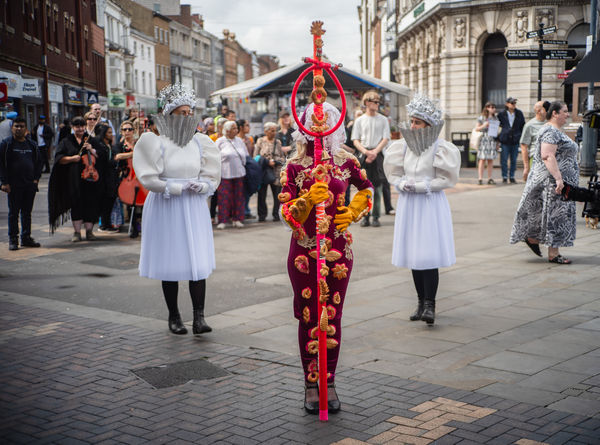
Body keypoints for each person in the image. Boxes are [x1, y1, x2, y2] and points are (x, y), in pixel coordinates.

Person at [279, 101, 373, 414]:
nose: (319, 130)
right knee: (309, 316)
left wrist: (355, 209)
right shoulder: (293, 166)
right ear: (303, 127)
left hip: (338, 250)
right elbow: (287, 213)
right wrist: (305, 201)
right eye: (313, 124)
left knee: (332, 316)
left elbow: (367, 188)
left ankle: (329, 380)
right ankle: (310, 381)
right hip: (305, 249)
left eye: (326, 123)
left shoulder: (347, 161)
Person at [133, 83, 221, 335]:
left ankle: (199, 318)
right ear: (169, 116)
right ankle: (174, 316)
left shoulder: (200, 142)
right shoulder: (155, 141)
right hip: (167, 203)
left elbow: (212, 175)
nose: (186, 117)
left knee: (197, 260)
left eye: (189, 113)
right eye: (181, 113)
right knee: (170, 259)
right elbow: (148, 177)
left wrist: (202, 185)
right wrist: (173, 187)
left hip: (192, 204)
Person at [383, 92, 461, 325]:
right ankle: (419, 302)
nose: (412, 125)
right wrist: (400, 183)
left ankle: (430, 304)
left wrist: (422, 186)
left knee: (428, 253)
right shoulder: (404, 146)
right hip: (409, 203)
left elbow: (447, 179)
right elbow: (394, 172)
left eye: (417, 122)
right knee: (415, 253)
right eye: (412, 121)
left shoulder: (441, 147)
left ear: (428, 124)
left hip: (428, 202)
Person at [510, 101, 579, 264]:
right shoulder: (550, 131)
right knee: (556, 216)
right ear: (554, 113)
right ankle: (553, 253)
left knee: (550, 215)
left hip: (554, 182)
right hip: (552, 183)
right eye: (565, 111)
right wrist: (559, 179)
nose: (567, 115)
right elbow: (547, 155)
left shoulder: (553, 130)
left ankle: (534, 239)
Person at [48, 116, 107, 242]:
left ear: (85, 127)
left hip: (91, 179)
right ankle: (77, 232)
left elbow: (103, 155)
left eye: (81, 126)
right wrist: (72, 159)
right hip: (73, 179)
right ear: (72, 127)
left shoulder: (91, 139)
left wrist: (92, 149)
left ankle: (90, 232)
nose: (80, 129)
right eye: (77, 126)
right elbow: (59, 158)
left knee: (91, 204)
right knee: (76, 205)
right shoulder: (66, 141)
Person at [0, 117, 43, 251]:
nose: (19, 129)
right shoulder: (6, 144)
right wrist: (4, 182)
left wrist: (36, 179)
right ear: (12, 128)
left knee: (27, 213)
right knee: (13, 213)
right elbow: (1, 164)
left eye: (21, 126)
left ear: (26, 129)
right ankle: (13, 240)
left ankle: (26, 238)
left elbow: (38, 163)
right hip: (13, 186)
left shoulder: (32, 145)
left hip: (29, 185)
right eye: (16, 126)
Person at [351, 90, 391, 227]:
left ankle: (375, 216)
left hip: (377, 153)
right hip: (364, 153)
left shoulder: (383, 119)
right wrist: (366, 152)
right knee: (363, 188)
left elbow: (386, 138)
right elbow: (355, 140)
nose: (377, 104)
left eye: (378, 102)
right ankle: (365, 216)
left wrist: (374, 152)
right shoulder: (360, 120)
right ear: (367, 102)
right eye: (375, 102)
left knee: (378, 187)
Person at [215, 120, 246, 229]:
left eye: (236, 128)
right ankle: (223, 220)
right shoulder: (220, 141)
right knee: (224, 198)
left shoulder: (239, 141)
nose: (236, 130)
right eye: (234, 128)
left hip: (239, 173)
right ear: (227, 130)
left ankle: (237, 219)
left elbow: (245, 155)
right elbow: (214, 157)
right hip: (225, 174)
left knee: (239, 197)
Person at [254, 122, 285, 222]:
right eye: (272, 130)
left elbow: (282, 158)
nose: (274, 133)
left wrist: (275, 161)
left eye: (275, 130)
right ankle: (262, 215)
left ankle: (276, 214)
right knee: (261, 194)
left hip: (276, 171)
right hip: (263, 171)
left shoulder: (278, 142)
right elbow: (256, 157)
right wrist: (266, 162)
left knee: (277, 194)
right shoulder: (260, 141)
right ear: (265, 131)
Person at [95, 124, 120, 233]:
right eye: (109, 132)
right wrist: (115, 160)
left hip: (112, 177)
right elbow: (104, 161)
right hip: (104, 177)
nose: (111, 135)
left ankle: (107, 222)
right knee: (106, 201)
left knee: (111, 200)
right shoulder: (100, 146)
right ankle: (104, 224)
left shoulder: (111, 146)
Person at [497, 97, 525, 184]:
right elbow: (497, 125)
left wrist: (519, 135)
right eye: (512, 103)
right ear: (507, 104)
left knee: (514, 159)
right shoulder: (501, 114)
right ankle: (504, 176)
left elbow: (522, 125)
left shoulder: (519, 113)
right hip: (505, 139)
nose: (513, 105)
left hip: (515, 139)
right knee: (504, 159)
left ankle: (512, 176)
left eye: (514, 103)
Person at [520, 101, 547, 182]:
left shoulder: (550, 123)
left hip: (549, 158)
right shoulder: (529, 125)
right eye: (546, 109)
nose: (549, 110)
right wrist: (526, 167)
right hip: (535, 158)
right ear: (539, 111)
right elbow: (524, 146)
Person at [475, 102, 499, 185]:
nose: (493, 109)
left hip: (492, 139)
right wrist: (484, 125)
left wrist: (497, 143)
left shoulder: (495, 118)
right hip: (484, 139)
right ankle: (480, 178)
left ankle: (489, 178)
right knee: (482, 159)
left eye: (494, 107)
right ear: (487, 108)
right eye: (491, 107)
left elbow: (497, 131)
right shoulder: (482, 118)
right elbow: (476, 128)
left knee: (490, 159)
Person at [237, 119, 256, 219]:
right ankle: (240, 211)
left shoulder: (250, 139)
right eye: (247, 125)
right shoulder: (236, 139)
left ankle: (246, 210)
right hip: (239, 169)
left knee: (248, 190)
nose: (249, 127)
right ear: (241, 127)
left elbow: (252, 153)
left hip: (249, 168)